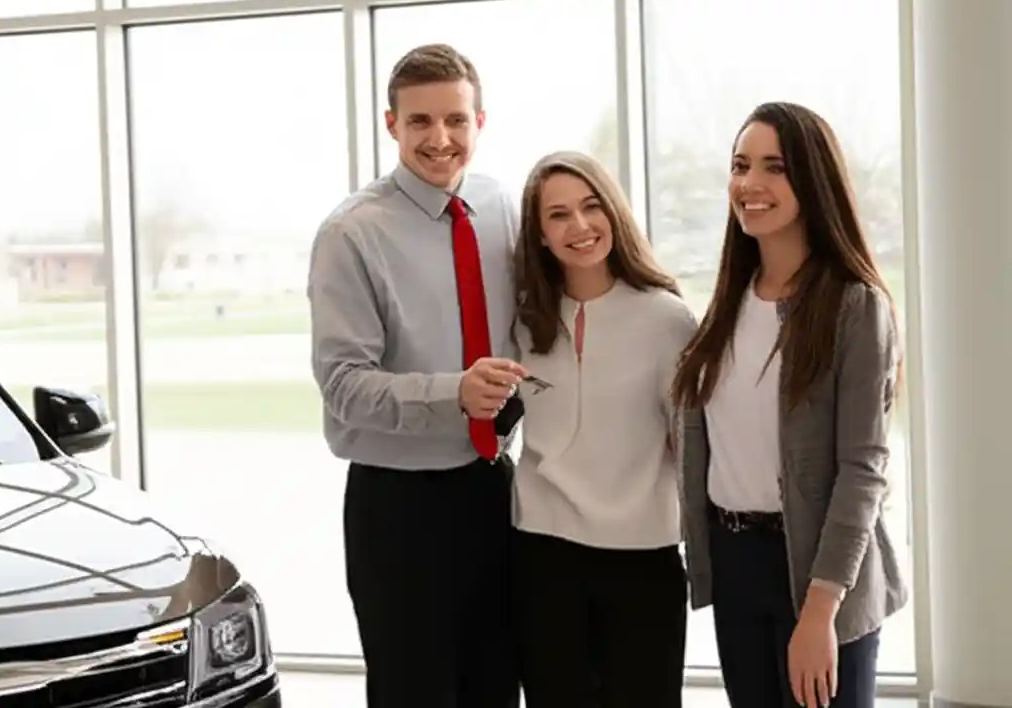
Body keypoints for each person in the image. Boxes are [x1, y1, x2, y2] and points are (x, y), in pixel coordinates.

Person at [306, 43, 522, 708]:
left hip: (494, 494)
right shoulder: (352, 233)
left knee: (494, 688)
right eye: (421, 121)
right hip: (398, 511)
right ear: (391, 124)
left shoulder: (499, 207)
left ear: (480, 122)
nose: (440, 139)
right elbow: (343, 385)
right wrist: (452, 393)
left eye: (456, 120)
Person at [671, 101, 908, 708]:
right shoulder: (724, 309)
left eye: (774, 167)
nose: (750, 184)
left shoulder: (855, 307)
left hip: (817, 570)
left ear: (812, 180)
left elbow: (863, 472)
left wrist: (819, 611)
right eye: (740, 165)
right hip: (736, 560)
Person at [508, 150, 696, 707]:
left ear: (614, 213)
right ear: (539, 234)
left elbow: (689, 443)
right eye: (559, 215)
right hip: (543, 554)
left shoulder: (668, 319)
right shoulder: (524, 322)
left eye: (592, 207)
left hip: (643, 557)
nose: (580, 226)